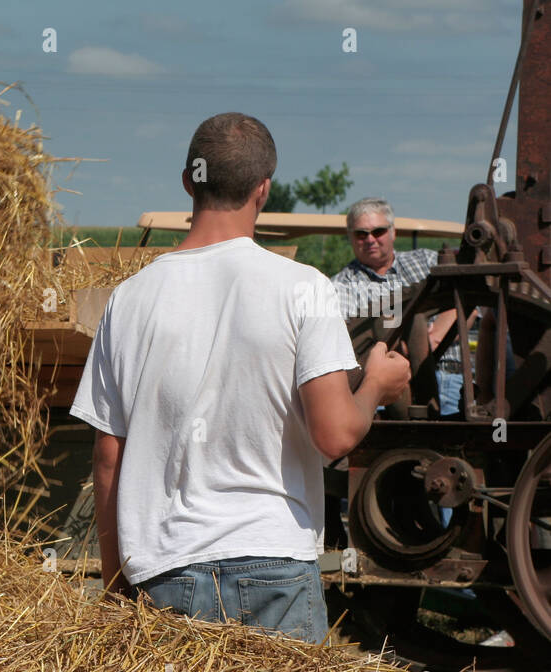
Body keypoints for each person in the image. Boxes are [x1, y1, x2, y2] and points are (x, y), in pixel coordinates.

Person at [70, 113, 411, 644]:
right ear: (264, 189)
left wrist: (116, 587)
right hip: (274, 566)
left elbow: (108, 458)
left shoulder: (129, 299)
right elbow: (336, 435)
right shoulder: (304, 288)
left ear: (188, 182)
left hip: (163, 573)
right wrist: (376, 385)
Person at [332, 197, 463, 416]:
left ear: (394, 232)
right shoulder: (338, 287)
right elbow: (346, 349)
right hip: (385, 391)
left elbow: (464, 305)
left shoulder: (427, 262)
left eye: (378, 231)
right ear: (351, 238)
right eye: (361, 234)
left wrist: (432, 339)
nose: (370, 239)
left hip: (451, 376)